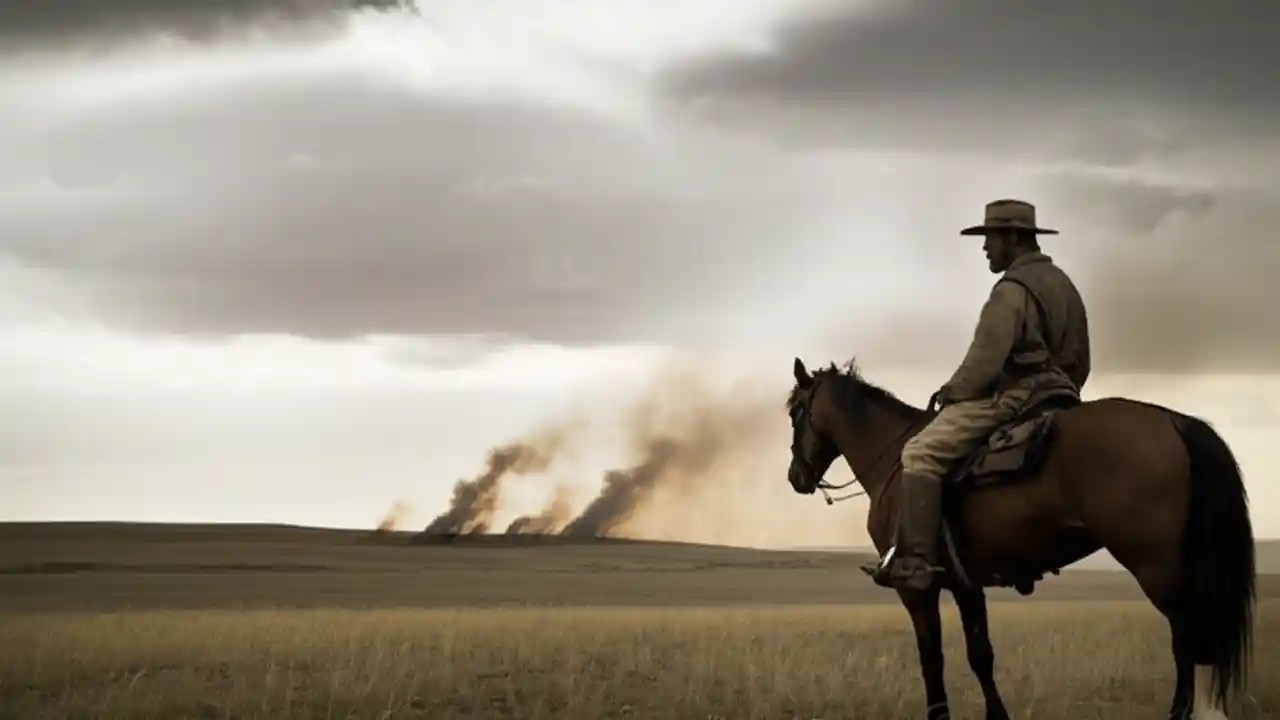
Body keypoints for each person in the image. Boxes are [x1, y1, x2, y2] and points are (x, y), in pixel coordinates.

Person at [862, 198, 1091, 591]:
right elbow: (1081, 359)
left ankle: (916, 562)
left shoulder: (1011, 291)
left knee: (919, 452)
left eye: (991, 238)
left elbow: (985, 363)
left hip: (1016, 396)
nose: (985, 247)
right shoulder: (1065, 286)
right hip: (1061, 394)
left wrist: (952, 392)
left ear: (1014, 239)